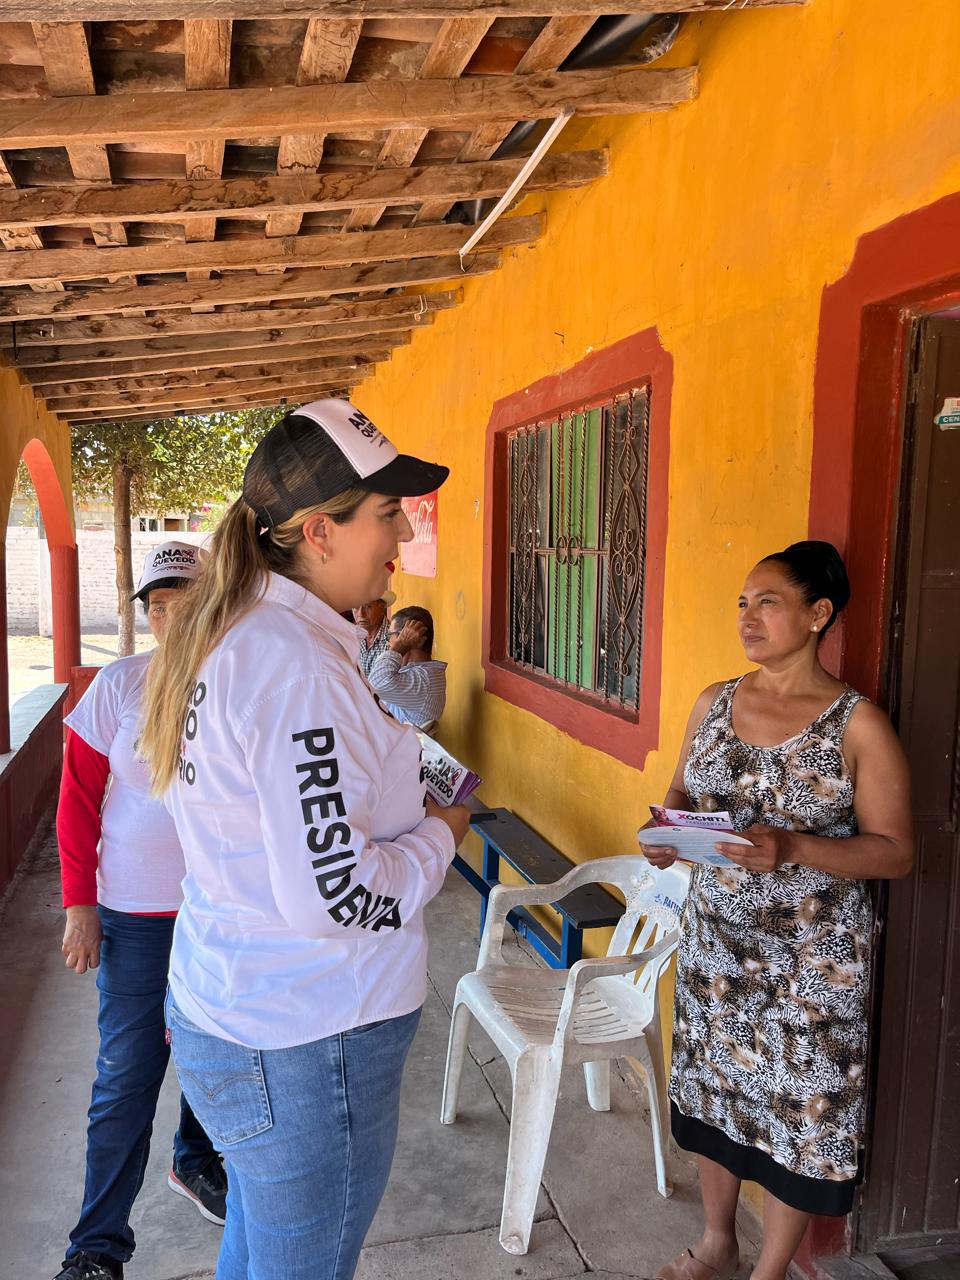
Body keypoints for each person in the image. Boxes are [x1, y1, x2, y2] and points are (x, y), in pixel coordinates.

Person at [138, 400, 471, 1280]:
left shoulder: (244, 633)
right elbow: (337, 894)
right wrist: (443, 836)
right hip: (304, 1039)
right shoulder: (291, 664)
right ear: (320, 532)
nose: (401, 533)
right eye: (386, 512)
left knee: (259, 1248)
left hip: (243, 1011)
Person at [641, 541, 914, 1280]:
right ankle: (717, 1242)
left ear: (818, 614)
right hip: (718, 949)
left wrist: (794, 846)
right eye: (742, 602)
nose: (748, 618)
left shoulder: (857, 726)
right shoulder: (713, 701)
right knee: (717, 1093)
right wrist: (668, 834)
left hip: (812, 966)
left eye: (768, 602)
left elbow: (895, 851)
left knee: (801, 1116)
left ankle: (769, 1274)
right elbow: (682, 796)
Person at [54, 542, 226, 1280]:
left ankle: (194, 1161)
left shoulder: (236, 683)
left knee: (214, 1055)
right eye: (156, 607)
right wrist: (79, 905)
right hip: (132, 915)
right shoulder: (119, 685)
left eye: (182, 603)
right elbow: (78, 802)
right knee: (126, 1075)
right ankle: (96, 1247)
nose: (167, 618)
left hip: (221, 914)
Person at [368, 605, 447, 728]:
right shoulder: (417, 674)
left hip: (393, 745)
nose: (388, 642)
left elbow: (375, 683)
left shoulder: (424, 680)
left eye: (390, 636)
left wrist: (402, 644)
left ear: (410, 637)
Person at [354, 589, 395, 677]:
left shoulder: (394, 637)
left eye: (368, 606)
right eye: (356, 607)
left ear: (381, 608)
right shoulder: (351, 636)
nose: (361, 614)